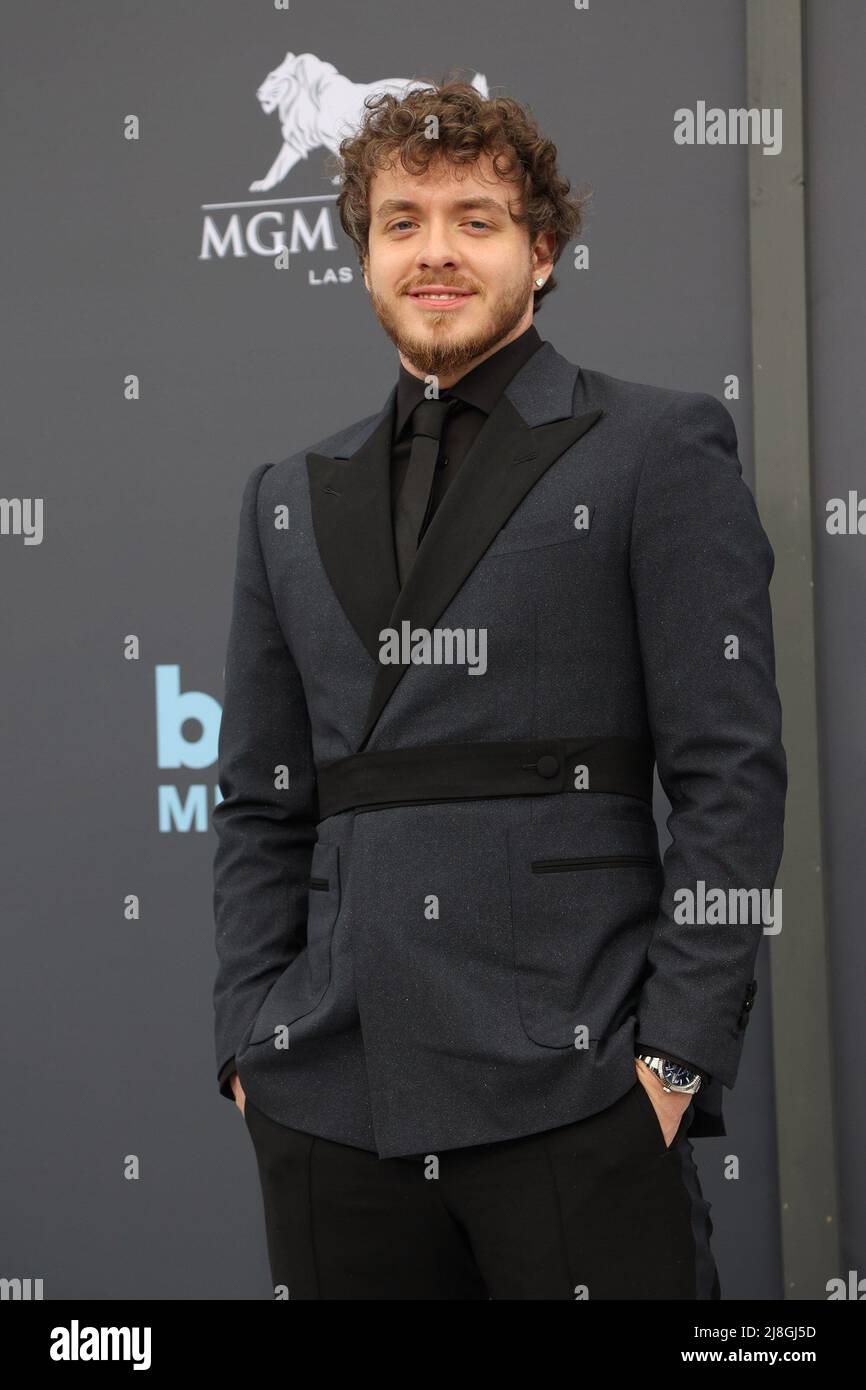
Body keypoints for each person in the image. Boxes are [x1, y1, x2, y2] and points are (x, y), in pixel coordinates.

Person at [212, 79, 786, 1300]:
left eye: (474, 219)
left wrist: (671, 1061)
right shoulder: (284, 496)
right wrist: (250, 1042)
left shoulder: (653, 448)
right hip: (331, 1102)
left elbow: (728, 776)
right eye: (402, 222)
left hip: (575, 1089)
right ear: (363, 258)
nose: (435, 251)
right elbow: (261, 799)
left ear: (539, 250)